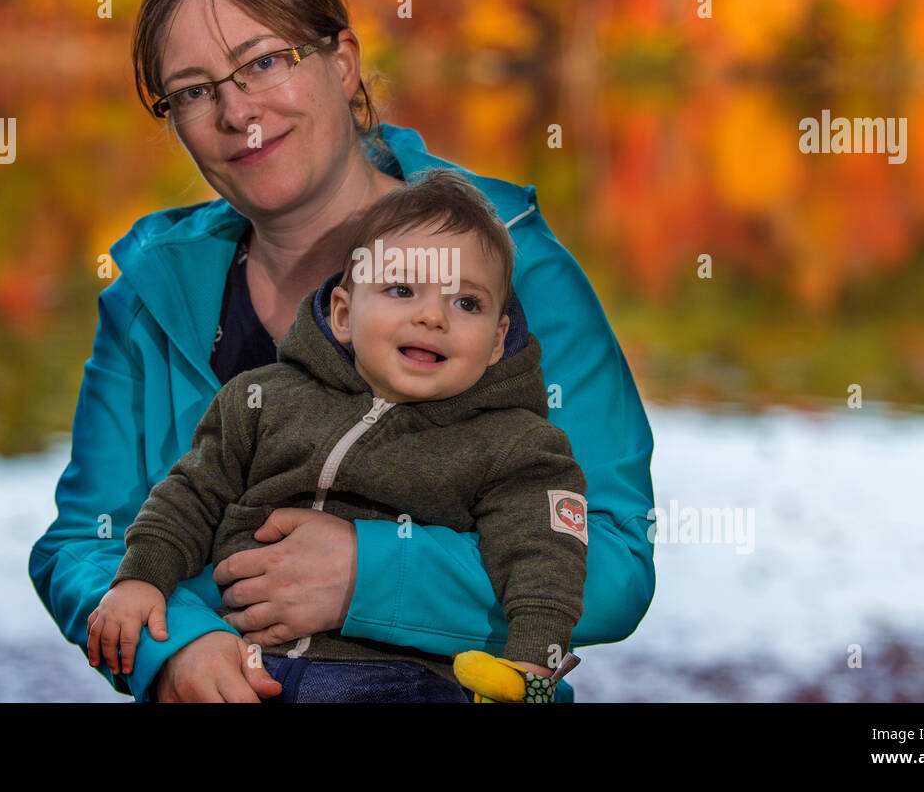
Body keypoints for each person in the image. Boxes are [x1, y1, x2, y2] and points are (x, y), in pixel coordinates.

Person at [28, 0, 656, 703]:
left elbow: (617, 559)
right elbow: (82, 541)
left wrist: (371, 574)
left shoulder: (509, 267)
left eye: (264, 62)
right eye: (193, 90)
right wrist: (177, 652)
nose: (237, 111)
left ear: (343, 60)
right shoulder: (151, 298)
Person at [86, 170, 589, 702]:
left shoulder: (516, 444)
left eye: (467, 303)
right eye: (402, 289)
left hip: (402, 680)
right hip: (251, 663)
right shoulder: (261, 399)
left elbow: (544, 556)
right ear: (344, 314)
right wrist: (141, 578)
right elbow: (190, 495)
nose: (433, 316)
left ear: (496, 341)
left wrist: (533, 663)